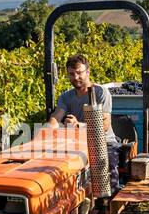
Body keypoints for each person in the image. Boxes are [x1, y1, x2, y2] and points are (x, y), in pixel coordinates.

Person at [50, 53, 120, 195]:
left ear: (87, 72)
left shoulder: (101, 92)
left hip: (103, 143)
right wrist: (48, 129)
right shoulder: (66, 97)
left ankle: (108, 207)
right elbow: (56, 117)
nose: (75, 77)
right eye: (71, 74)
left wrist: (78, 126)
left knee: (106, 167)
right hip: (76, 144)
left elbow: (104, 125)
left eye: (79, 73)